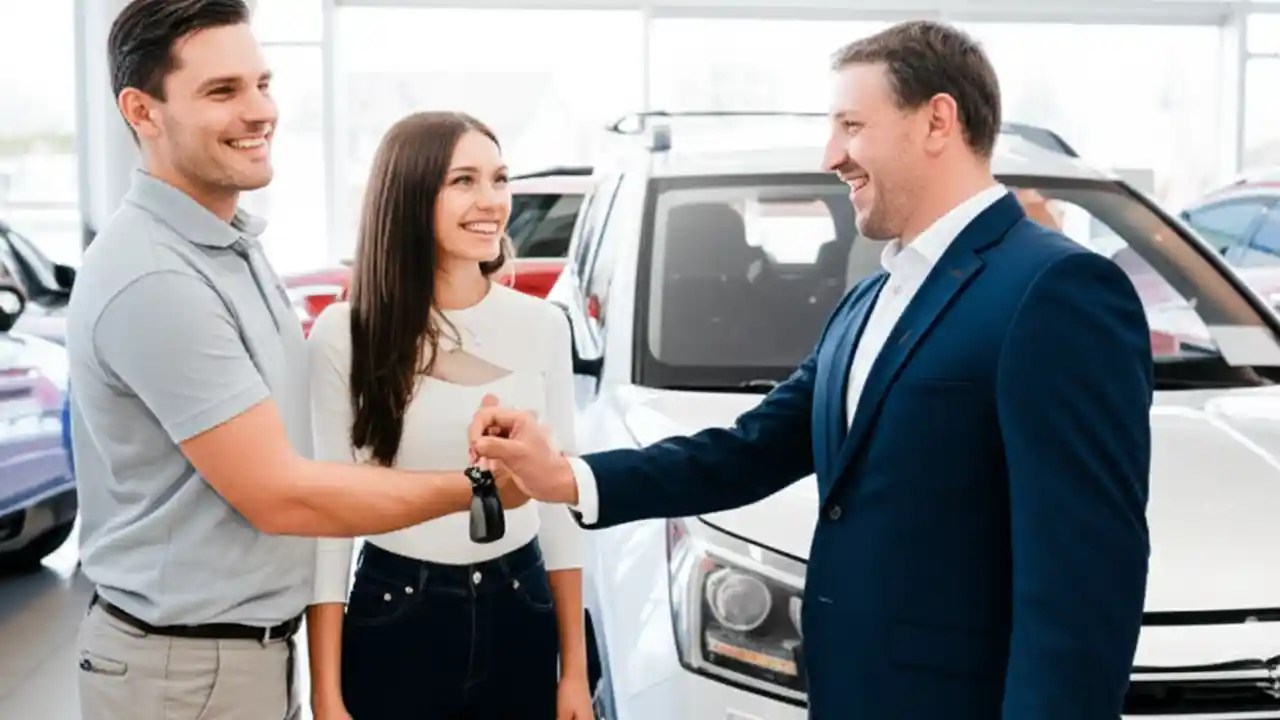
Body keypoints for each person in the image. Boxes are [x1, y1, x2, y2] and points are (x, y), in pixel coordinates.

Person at [469, 20, 1154, 720]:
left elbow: (1082, 579)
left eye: (852, 126)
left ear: (938, 121)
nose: (832, 156)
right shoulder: (872, 297)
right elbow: (751, 449)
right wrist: (570, 477)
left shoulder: (1054, 289)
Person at [67, 3, 524, 719]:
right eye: (223, 92)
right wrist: (480, 486)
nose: (260, 111)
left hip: (235, 656)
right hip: (183, 672)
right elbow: (282, 495)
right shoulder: (156, 277)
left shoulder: (226, 248)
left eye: (263, 82)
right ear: (142, 111)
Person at [305, 112, 593, 720]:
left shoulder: (543, 326)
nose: (492, 201)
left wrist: (574, 673)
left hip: (523, 605)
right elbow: (329, 520)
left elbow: (559, 503)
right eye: (464, 180)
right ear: (408, 196)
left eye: (499, 179)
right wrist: (325, 695)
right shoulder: (344, 335)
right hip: (395, 611)